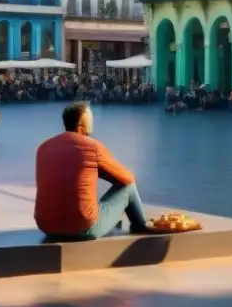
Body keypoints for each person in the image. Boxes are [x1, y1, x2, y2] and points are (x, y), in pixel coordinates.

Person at [34, 102, 152, 239]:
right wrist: (100, 170)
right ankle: (141, 227)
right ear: (82, 130)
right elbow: (128, 178)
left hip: (47, 226)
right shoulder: (92, 147)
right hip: (83, 228)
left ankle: (113, 223)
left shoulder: (43, 148)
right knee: (129, 188)